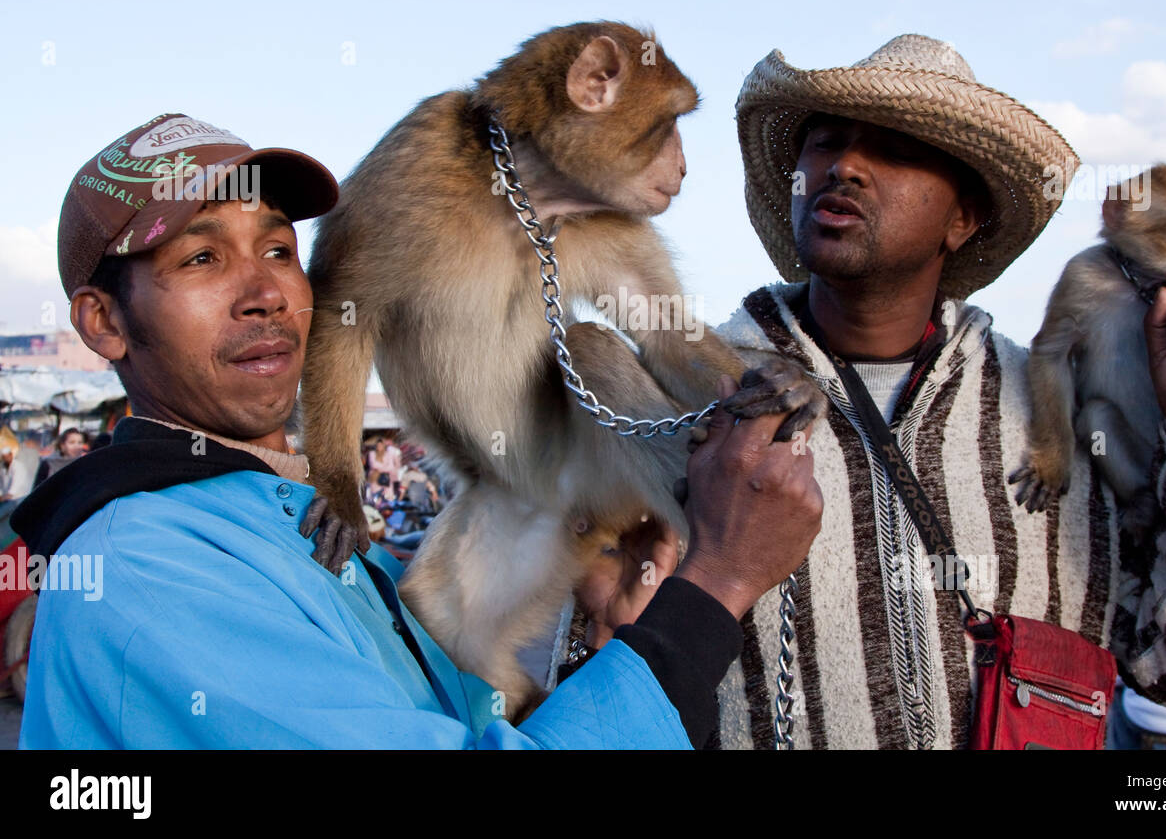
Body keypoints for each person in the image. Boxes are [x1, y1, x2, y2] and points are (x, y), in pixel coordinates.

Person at [13, 112, 822, 749]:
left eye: (278, 248)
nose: (266, 292)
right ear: (104, 322)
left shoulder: (271, 518)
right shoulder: (155, 573)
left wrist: (608, 648)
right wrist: (714, 589)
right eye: (200, 260)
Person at [705, 35, 1166, 749]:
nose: (846, 166)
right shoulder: (698, 398)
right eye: (826, 140)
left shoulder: (1060, 416)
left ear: (964, 219)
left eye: (895, 147)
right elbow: (587, 666)